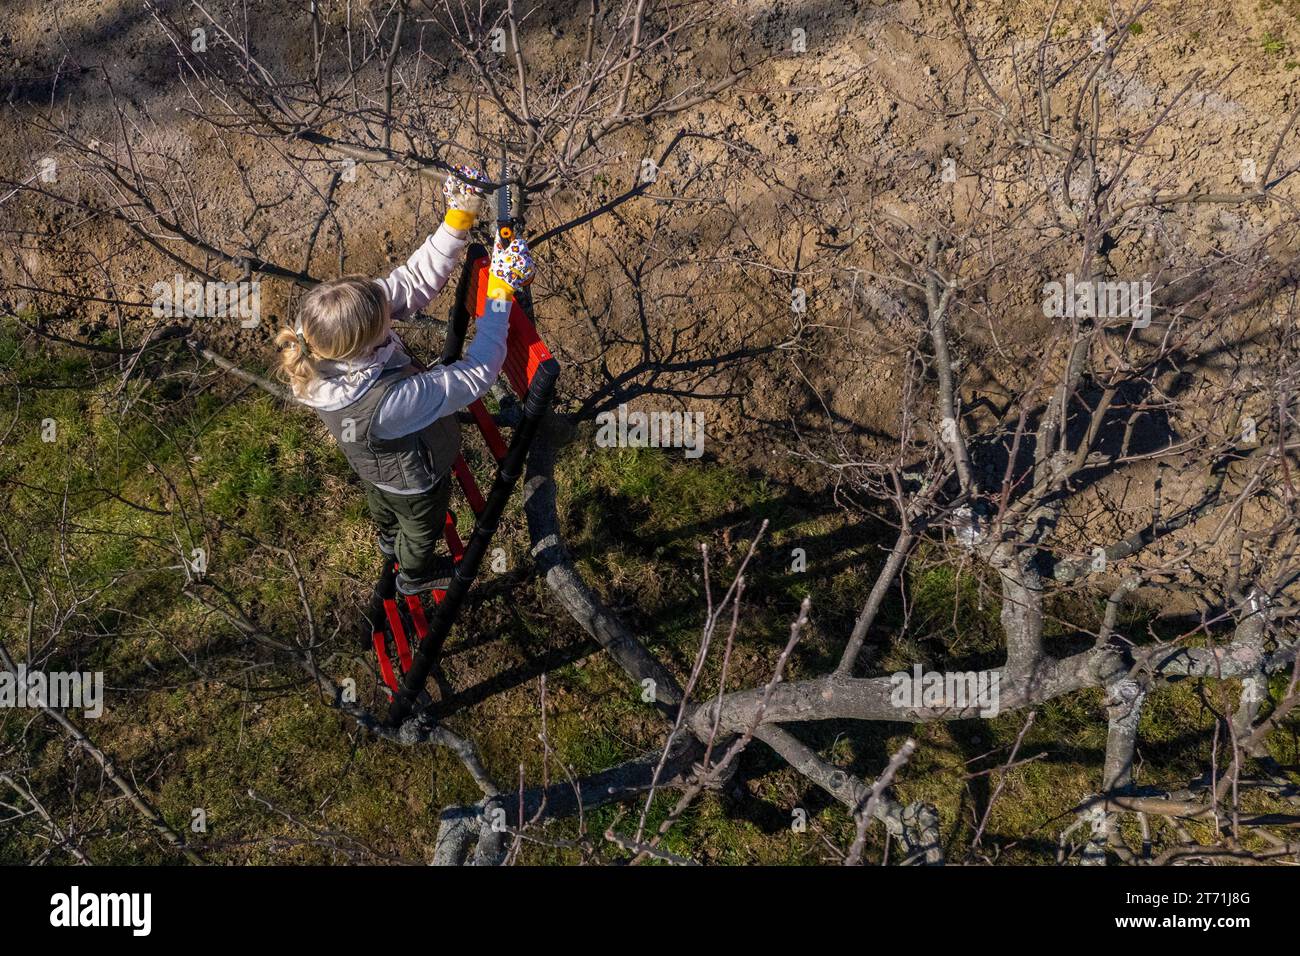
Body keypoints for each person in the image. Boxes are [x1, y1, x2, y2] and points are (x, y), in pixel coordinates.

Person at [276, 166, 535, 616]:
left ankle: (385, 537)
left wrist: (459, 218)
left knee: (382, 500)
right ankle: (413, 576)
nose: (393, 305)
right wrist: (499, 294)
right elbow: (474, 376)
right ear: (369, 341)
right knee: (422, 526)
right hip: (415, 477)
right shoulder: (390, 404)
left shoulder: (323, 332)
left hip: (374, 465)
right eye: (385, 316)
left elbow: (412, 280)